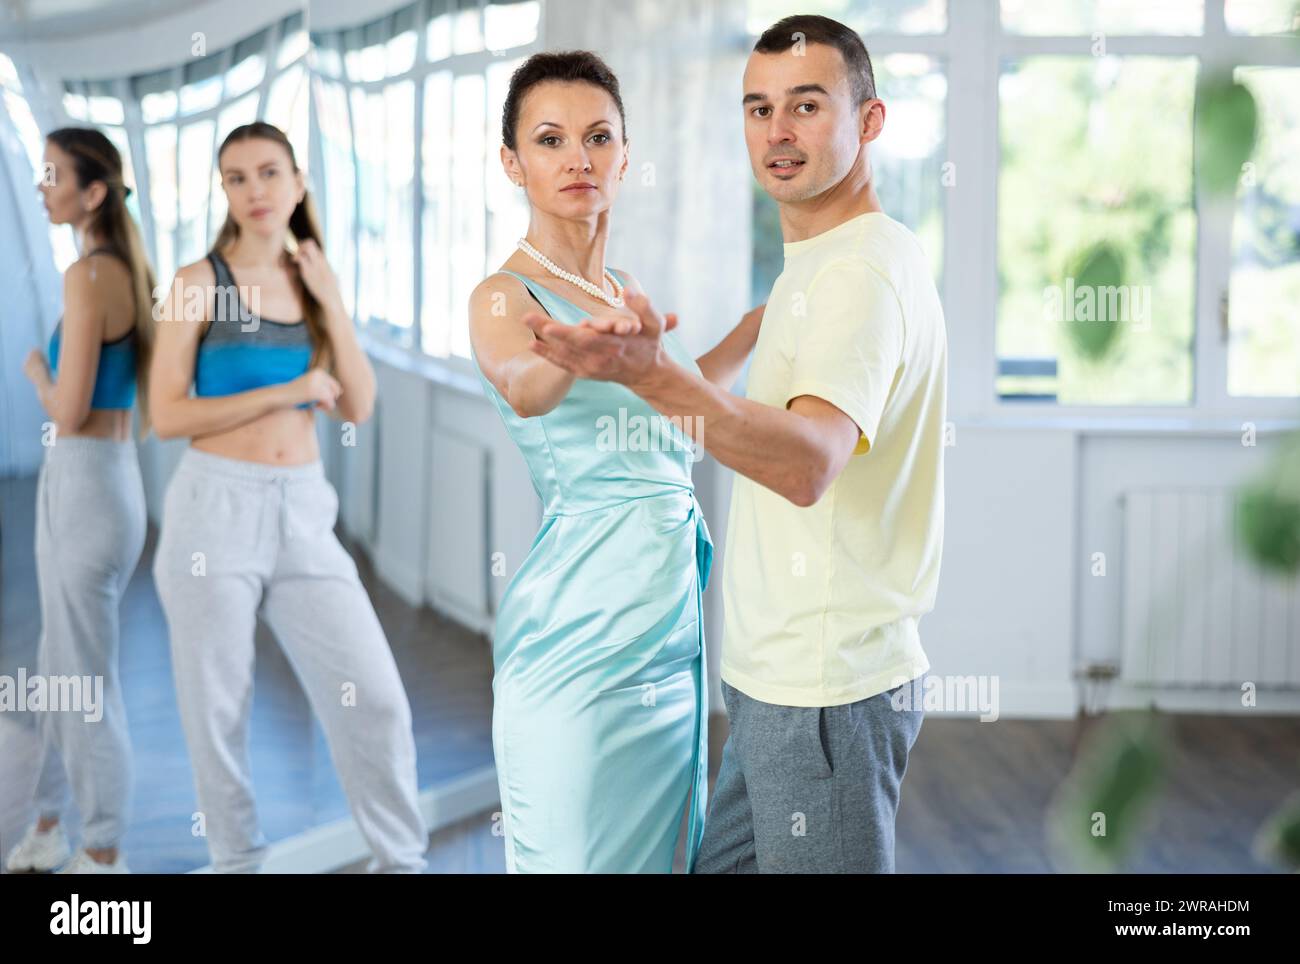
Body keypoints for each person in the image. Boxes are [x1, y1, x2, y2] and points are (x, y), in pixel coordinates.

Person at [527, 15, 947, 873]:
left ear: (870, 120)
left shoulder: (858, 271)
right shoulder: (814, 267)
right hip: (776, 684)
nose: (777, 131)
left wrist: (651, 376)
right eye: (759, 109)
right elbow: (735, 422)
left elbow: (807, 463)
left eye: (806, 106)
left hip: (826, 691)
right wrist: (654, 376)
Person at [468, 50, 764, 872]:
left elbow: (678, 409)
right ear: (512, 163)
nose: (578, 158)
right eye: (550, 139)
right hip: (577, 638)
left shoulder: (623, 287)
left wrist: (758, 324)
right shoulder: (503, 296)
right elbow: (524, 386)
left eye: (598, 137)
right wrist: (578, 351)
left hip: (668, 633)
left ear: (625, 157)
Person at [149, 121, 427, 873]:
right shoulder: (195, 283)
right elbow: (166, 414)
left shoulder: (314, 278)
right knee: (218, 713)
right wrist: (290, 389)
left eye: (270, 172)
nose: (255, 191)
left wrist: (331, 300)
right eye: (236, 178)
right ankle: (238, 863)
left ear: (299, 183)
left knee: (375, 698)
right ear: (224, 191)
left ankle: (401, 863)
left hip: (303, 511)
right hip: (214, 512)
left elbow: (358, 405)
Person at [9, 127, 155, 874]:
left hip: (84, 485)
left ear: (93, 192)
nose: (43, 188)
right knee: (58, 668)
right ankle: (48, 824)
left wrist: (36, 368)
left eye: (53, 176)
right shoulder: (123, 270)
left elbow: (66, 411)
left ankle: (102, 854)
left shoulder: (88, 275)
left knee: (84, 683)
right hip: (106, 481)